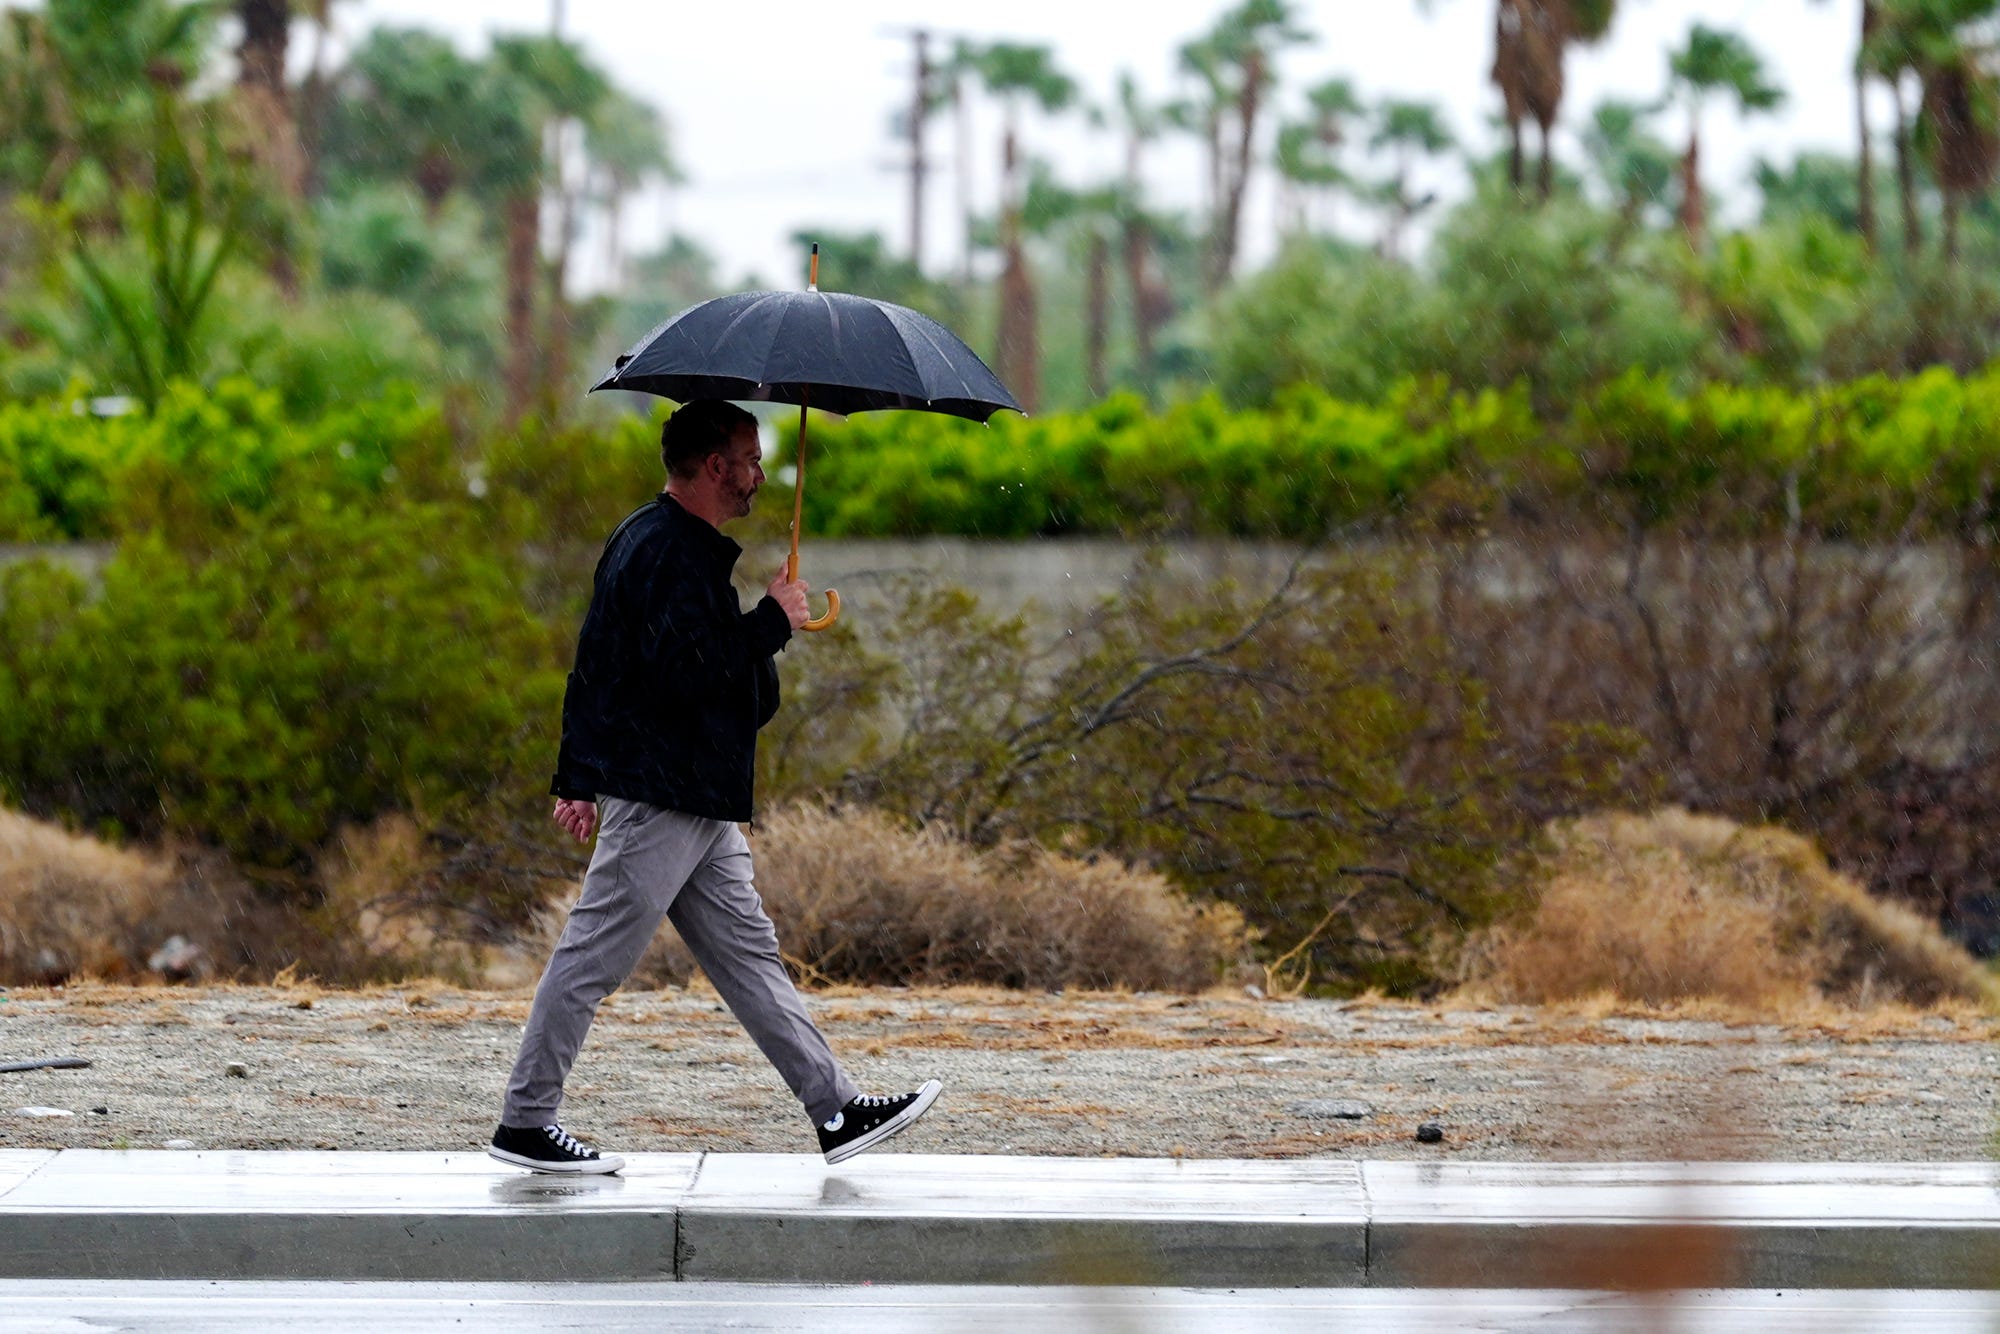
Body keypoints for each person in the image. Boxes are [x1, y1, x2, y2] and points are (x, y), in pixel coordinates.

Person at [489, 399, 940, 1175]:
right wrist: (769, 623)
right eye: (751, 459)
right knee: (592, 956)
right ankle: (526, 1123)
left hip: (695, 797)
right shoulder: (663, 551)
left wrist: (581, 775)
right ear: (712, 465)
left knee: (749, 957)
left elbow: (626, 669)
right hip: (663, 796)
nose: (761, 474)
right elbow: (681, 674)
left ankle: (833, 1109)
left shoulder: (676, 546)